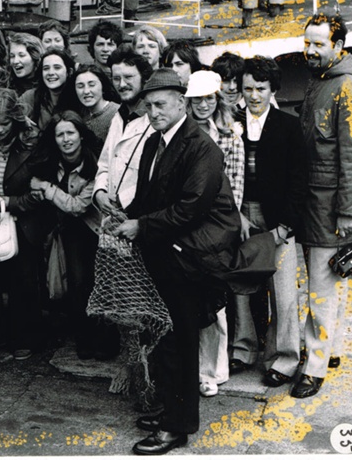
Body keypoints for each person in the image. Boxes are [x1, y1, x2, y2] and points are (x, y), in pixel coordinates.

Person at [116, 69, 241, 455]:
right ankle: (171, 408)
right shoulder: (156, 142)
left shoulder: (202, 147)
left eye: (160, 105)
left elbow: (189, 208)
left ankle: (177, 426)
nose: (152, 113)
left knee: (180, 340)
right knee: (166, 338)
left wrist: (140, 225)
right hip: (169, 251)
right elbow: (153, 196)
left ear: (181, 103)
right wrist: (124, 216)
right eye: (149, 106)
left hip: (193, 256)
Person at [293, 13, 352, 398]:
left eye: (319, 44)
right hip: (316, 201)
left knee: (321, 290)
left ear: (339, 46)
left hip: (331, 207)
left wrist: (349, 214)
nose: (310, 50)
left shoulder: (347, 88)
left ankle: (314, 368)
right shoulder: (320, 81)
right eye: (308, 42)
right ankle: (332, 350)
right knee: (331, 286)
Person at [226, 57, 307, 392]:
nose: (254, 95)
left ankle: (284, 359)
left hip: (277, 219)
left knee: (284, 291)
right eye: (248, 89)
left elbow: (299, 180)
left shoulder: (288, 126)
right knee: (242, 283)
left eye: (260, 88)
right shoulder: (231, 121)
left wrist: (285, 226)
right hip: (242, 213)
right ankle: (243, 350)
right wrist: (235, 213)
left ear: (273, 89)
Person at [0, 88, 48, 360]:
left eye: (5, 123)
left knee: (23, 282)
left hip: (24, 218)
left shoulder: (32, 139)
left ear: (16, 119)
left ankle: (25, 339)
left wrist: (9, 202)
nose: (0, 129)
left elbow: (40, 191)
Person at [183, 70, 245, 398]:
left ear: (217, 99)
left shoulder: (229, 135)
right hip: (185, 228)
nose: (204, 104)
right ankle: (185, 369)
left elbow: (235, 188)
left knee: (215, 303)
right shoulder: (181, 134)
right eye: (197, 99)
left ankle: (211, 372)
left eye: (209, 98)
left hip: (217, 228)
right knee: (186, 302)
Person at [29, 111, 105, 357]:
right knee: (74, 286)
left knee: (93, 285)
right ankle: (84, 341)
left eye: (70, 133)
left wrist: (48, 189)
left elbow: (78, 207)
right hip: (65, 233)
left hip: (92, 231)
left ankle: (101, 342)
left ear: (81, 135)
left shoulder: (95, 164)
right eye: (60, 134)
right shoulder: (51, 161)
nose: (66, 139)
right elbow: (32, 181)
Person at [93, 45, 155, 214]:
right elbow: (105, 163)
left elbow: (155, 175)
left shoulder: (154, 120)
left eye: (128, 77)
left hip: (141, 214)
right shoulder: (118, 117)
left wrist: (121, 199)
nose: (122, 84)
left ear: (143, 77)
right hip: (113, 214)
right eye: (116, 78)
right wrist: (100, 192)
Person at [19, 48, 77, 131]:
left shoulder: (78, 96)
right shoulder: (31, 96)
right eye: (46, 68)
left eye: (57, 67)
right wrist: (20, 120)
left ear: (69, 72)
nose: (51, 73)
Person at [70, 64, 120, 142]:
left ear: (103, 86)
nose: (86, 91)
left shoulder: (117, 113)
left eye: (92, 85)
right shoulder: (78, 115)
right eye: (80, 86)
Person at [8, 32, 45, 96]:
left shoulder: (47, 87)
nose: (15, 61)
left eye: (21, 55)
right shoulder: (6, 86)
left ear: (35, 57)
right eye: (12, 56)